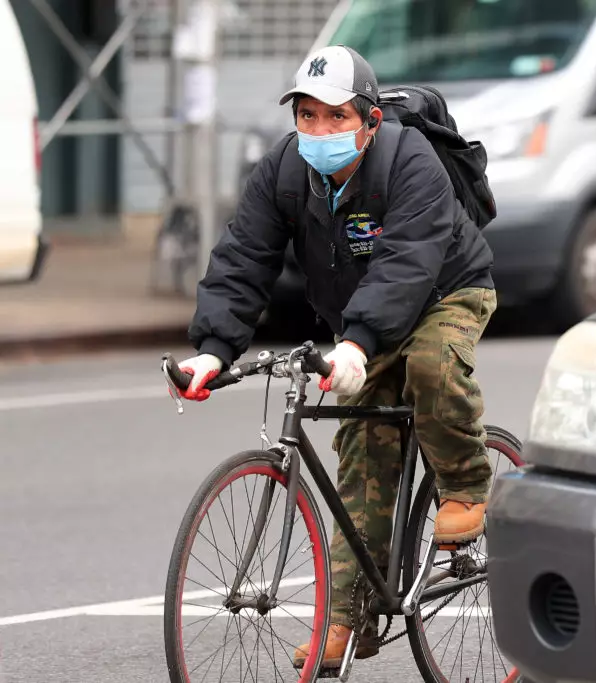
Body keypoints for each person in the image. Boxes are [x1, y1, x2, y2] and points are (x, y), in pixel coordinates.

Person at [173, 44, 498, 667]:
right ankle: (347, 621)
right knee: (363, 454)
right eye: (307, 117)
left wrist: (357, 341)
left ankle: (464, 486)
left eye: (336, 117)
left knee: (430, 365)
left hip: (446, 290)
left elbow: (408, 263)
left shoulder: (411, 160)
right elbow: (244, 257)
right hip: (362, 318)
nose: (318, 131)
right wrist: (212, 352)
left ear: (370, 121)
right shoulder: (283, 171)